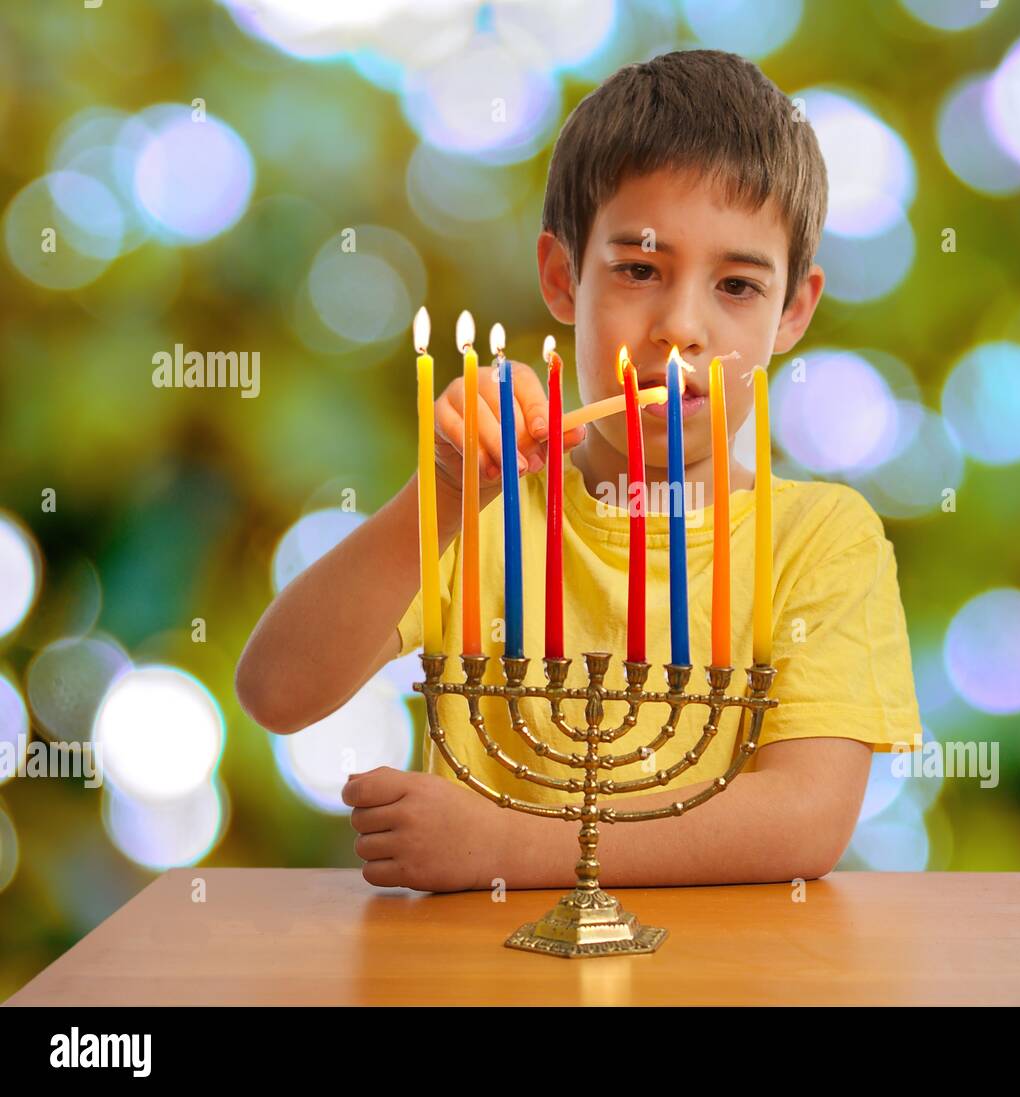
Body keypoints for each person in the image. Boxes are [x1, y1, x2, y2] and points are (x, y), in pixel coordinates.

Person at [236, 49, 923, 894]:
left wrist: (508, 848)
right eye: (639, 270)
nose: (681, 328)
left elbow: (805, 820)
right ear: (563, 278)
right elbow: (277, 690)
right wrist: (446, 490)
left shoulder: (819, 540)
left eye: (738, 286)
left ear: (795, 311)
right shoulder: (485, 512)